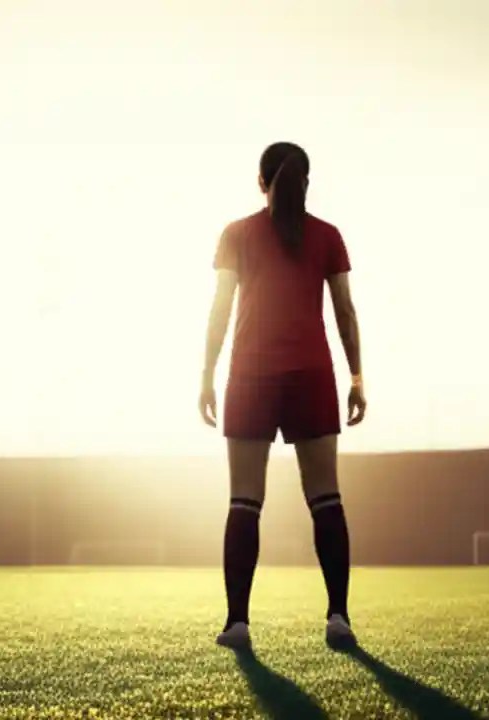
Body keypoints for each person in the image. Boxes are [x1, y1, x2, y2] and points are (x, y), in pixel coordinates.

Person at [200, 141, 366, 649]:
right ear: (307, 183)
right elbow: (344, 311)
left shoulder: (236, 234)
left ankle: (237, 623)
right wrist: (357, 378)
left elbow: (220, 308)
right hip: (311, 377)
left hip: (250, 378)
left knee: (244, 500)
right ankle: (338, 616)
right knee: (325, 498)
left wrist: (206, 374)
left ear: (260, 182)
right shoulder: (328, 236)